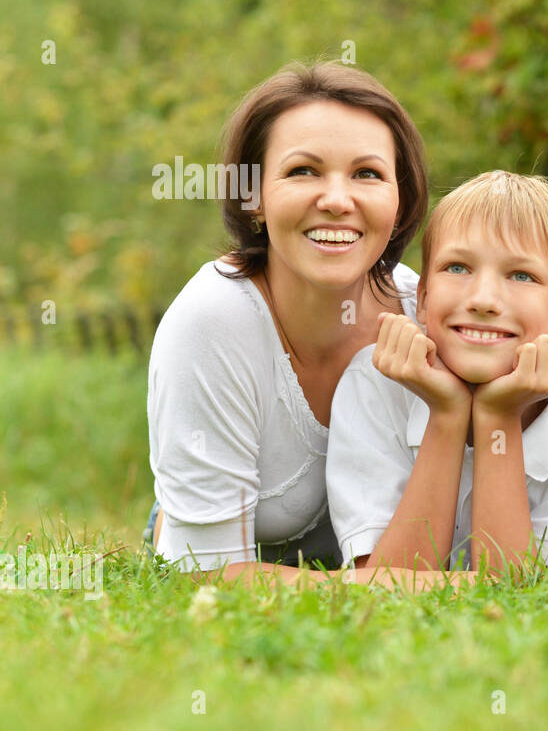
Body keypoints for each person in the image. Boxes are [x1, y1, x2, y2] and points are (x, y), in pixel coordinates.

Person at [147, 62, 457, 590]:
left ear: (399, 200)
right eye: (303, 171)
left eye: (367, 173)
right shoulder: (211, 321)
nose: (337, 200)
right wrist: (399, 590)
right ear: (254, 198)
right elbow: (202, 572)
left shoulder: (427, 309)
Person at [326, 171, 548, 581]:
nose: (482, 300)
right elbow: (384, 584)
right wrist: (447, 412)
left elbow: (523, 598)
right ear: (422, 300)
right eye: (458, 267)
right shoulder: (376, 383)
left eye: (521, 276)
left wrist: (499, 415)